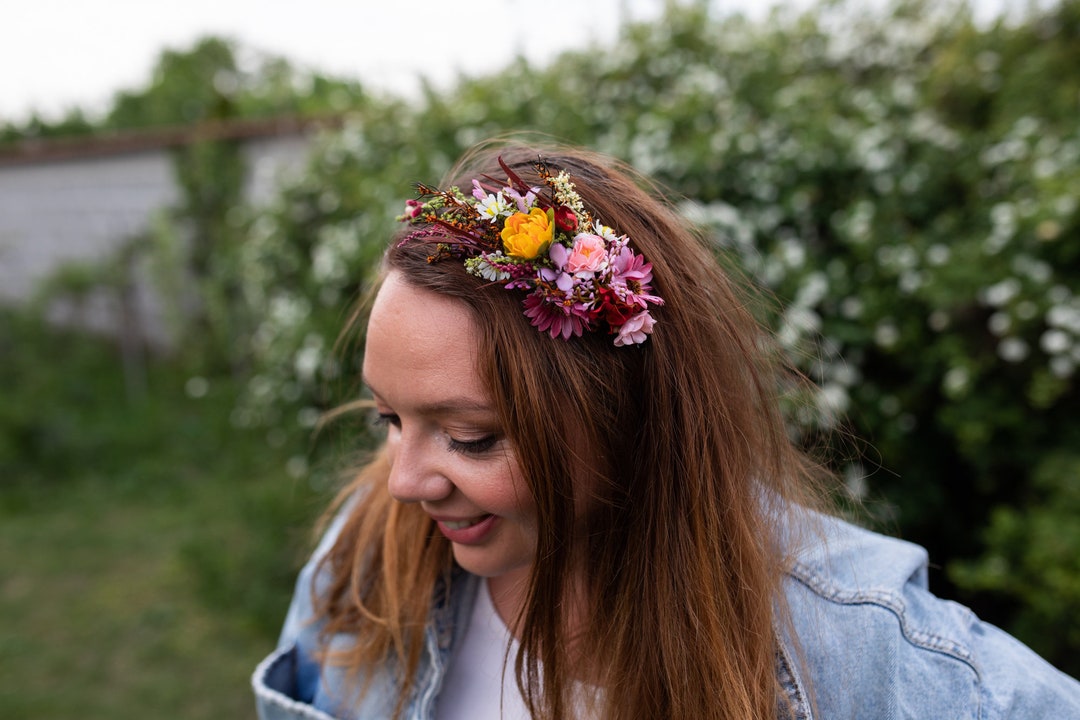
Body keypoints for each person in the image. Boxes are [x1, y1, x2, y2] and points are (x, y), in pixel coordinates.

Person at [252, 141, 1080, 719]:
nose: (403, 483)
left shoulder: (857, 649)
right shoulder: (365, 567)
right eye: (391, 420)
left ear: (624, 417)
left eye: (470, 438)